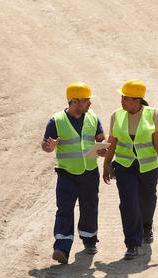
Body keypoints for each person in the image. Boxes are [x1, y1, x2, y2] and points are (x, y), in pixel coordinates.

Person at [42, 82, 107, 264]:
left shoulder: (93, 117)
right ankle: (61, 248)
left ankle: (89, 240)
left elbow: (101, 139)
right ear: (75, 101)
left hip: (89, 172)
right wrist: (50, 146)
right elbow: (45, 145)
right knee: (64, 209)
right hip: (67, 174)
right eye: (87, 100)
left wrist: (103, 149)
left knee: (89, 207)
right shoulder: (56, 121)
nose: (90, 103)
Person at [102, 79, 158, 260]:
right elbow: (112, 142)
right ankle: (132, 243)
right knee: (128, 204)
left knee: (148, 201)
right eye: (122, 97)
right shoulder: (117, 115)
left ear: (137, 100)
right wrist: (107, 163)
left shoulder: (152, 115)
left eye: (126, 98)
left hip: (148, 167)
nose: (122, 101)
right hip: (124, 166)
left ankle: (147, 225)